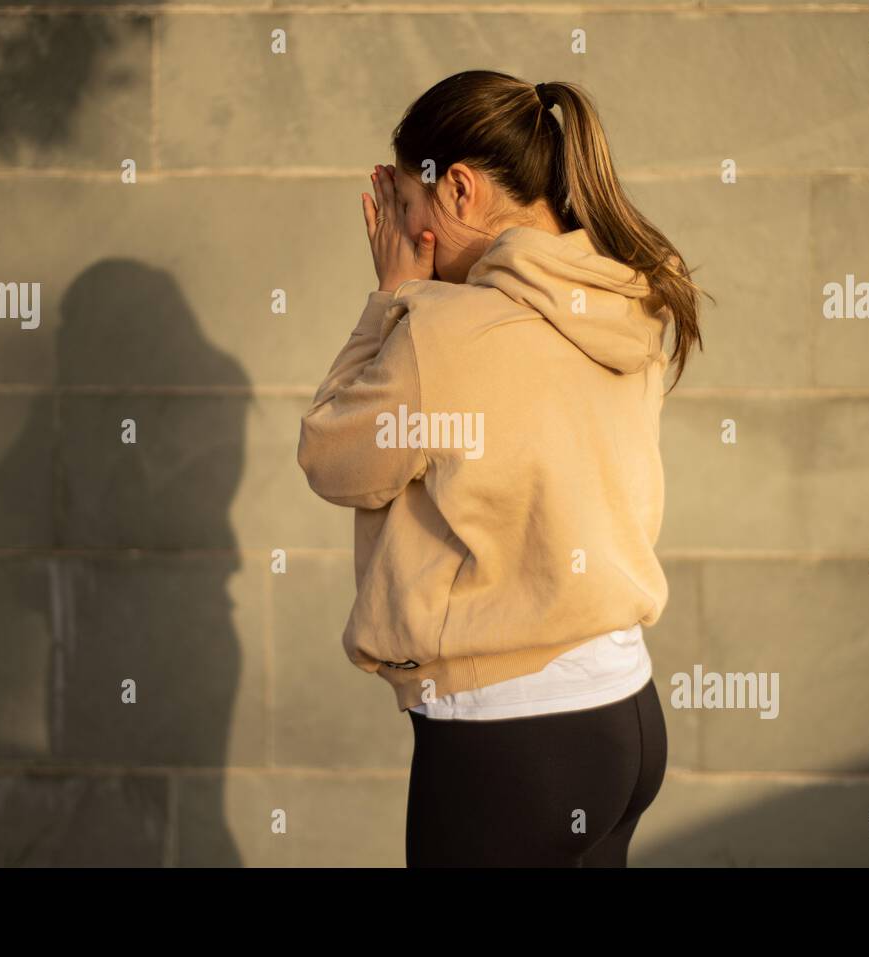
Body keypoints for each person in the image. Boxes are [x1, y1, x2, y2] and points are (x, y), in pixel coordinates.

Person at [297, 70, 709, 867]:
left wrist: (389, 295)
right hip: (623, 717)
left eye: (407, 212)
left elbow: (332, 455)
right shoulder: (629, 296)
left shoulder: (445, 331)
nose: (405, 235)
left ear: (458, 189)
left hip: (510, 742)